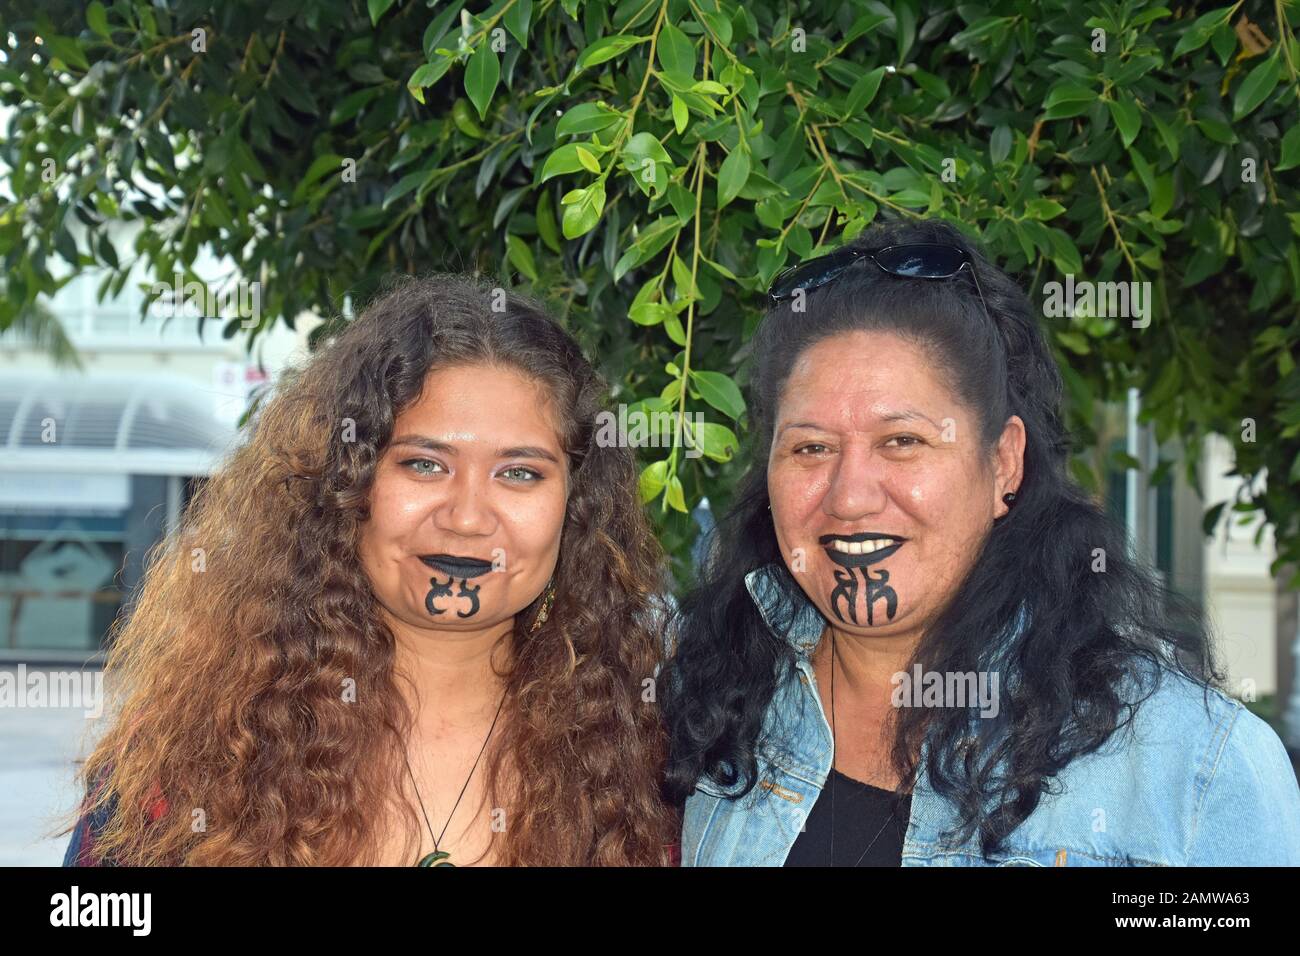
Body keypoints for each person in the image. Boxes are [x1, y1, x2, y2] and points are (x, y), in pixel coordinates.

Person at [661, 217, 1300, 866]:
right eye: (811, 447)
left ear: (1003, 465)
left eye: (902, 441)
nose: (849, 496)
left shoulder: (1194, 772)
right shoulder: (704, 697)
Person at [62, 274, 677, 866]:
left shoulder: (660, 763)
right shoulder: (187, 758)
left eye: (519, 473)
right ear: (346, 486)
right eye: (424, 465)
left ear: (575, 508)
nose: (466, 517)